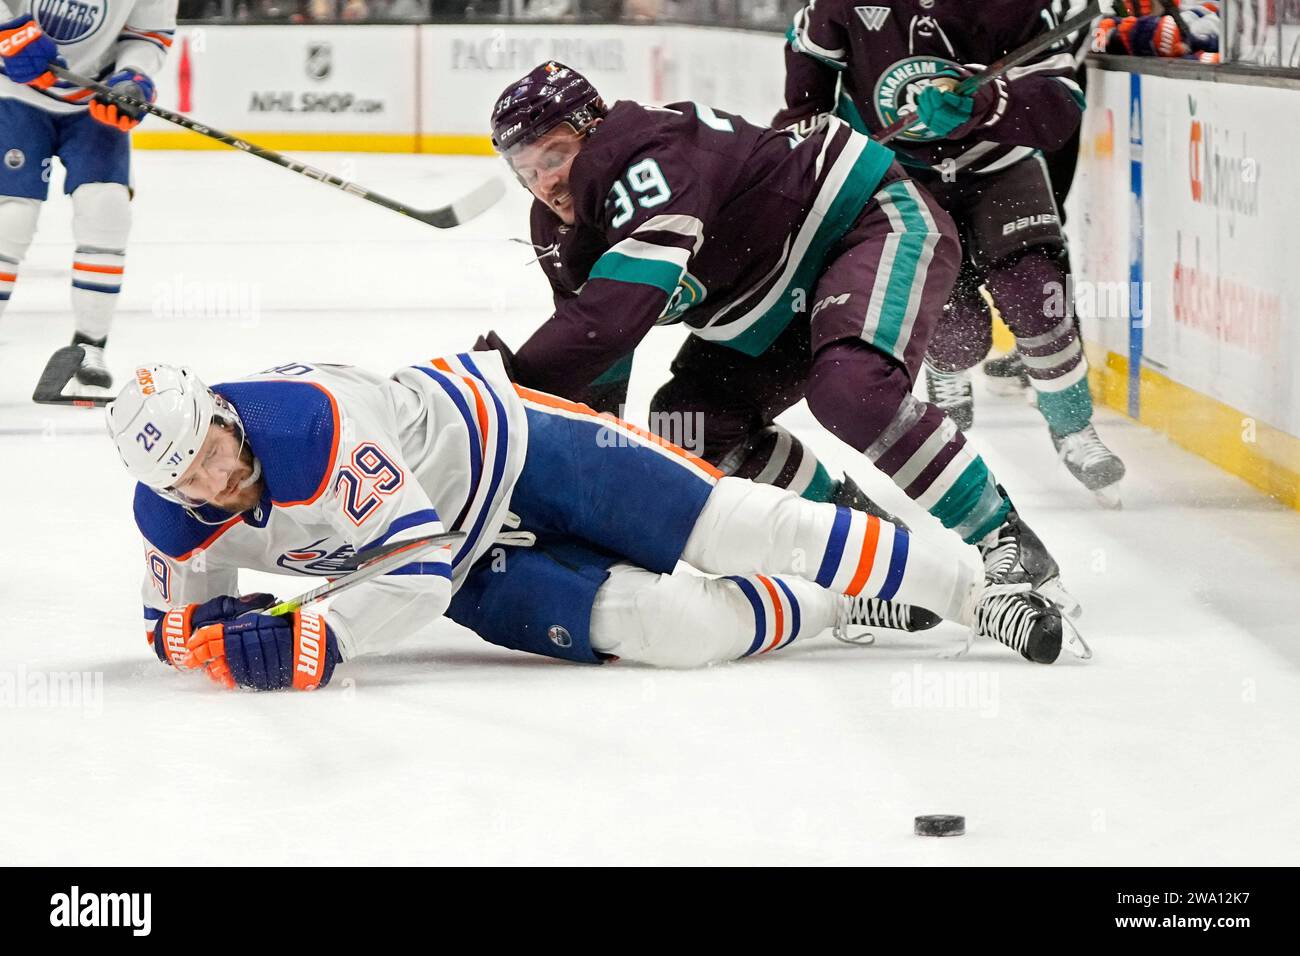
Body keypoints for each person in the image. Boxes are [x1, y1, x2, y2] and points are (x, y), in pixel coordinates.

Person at [105, 353, 1070, 693]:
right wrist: (216, 646)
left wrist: (316, 636)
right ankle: (838, 610)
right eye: (197, 476)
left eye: (219, 445)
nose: (223, 474)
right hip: (470, 559)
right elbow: (169, 630)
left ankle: (974, 593)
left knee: (741, 524)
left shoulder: (309, 424)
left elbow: (414, 571)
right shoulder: (173, 516)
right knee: (675, 633)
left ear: (224, 411)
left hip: (516, 448)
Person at [479, 61, 1070, 611]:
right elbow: (597, 363)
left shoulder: (642, 161)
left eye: (554, 154)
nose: (546, 183)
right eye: (526, 170)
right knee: (692, 424)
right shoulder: (561, 227)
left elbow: (609, 319)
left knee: (853, 390)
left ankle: (1006, 538)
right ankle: (875, 551)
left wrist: (499, 390)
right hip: (769, 299)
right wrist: (572, 469)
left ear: (594, 129)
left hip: (861, 224)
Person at [774, 0, 1126, 506]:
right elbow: (810, 65)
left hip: (1000, 164)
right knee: (953, 325)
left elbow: (1060, 106)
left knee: (1036, 295)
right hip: (902, 171)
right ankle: (948, 364)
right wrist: (807, 134)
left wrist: (987, 103)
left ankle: (1074, 430)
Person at [0, 1, 175, 395]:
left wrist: (133, 77)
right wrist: (6, 28)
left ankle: (89, 346)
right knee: (10, 219)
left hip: (94, 98)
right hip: (11, 88)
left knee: (107, 208)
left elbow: (147, 33)